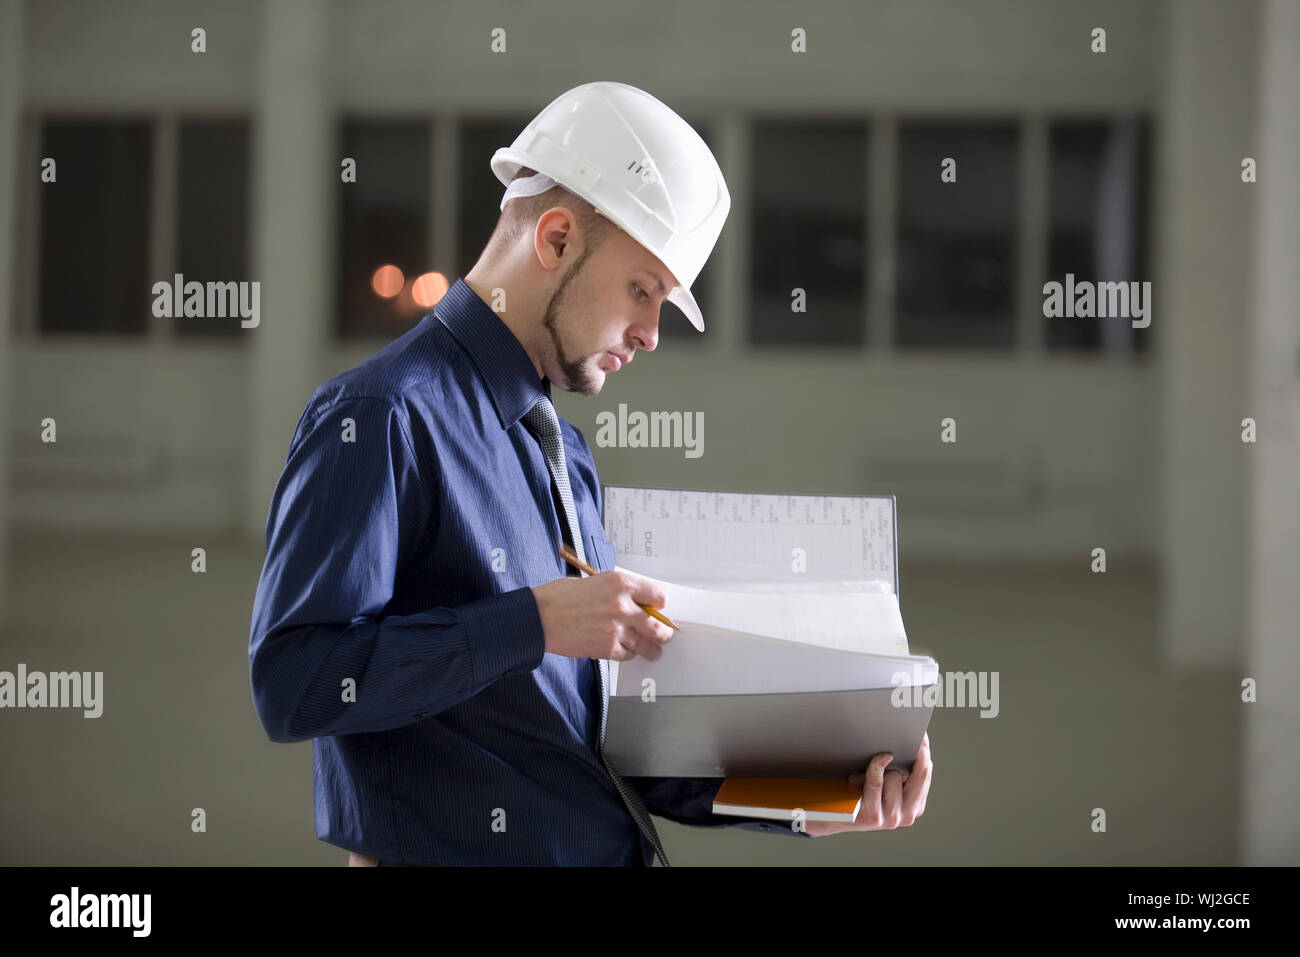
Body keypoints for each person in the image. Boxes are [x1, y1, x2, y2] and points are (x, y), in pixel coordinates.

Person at [248, 81, 932, 866]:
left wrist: (828, 791)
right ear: (558, 238)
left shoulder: (564, 457)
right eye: (643, 290)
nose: (649, 334)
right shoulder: (380, 416)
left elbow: (604, 746)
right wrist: (531, 622)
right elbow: (296, 681)